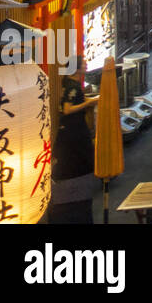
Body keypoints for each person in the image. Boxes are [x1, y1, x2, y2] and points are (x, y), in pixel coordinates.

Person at [49, 66, 98, 223]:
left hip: (70, 130)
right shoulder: (72, 86)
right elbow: (67, 109)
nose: (85, 66)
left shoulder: (70, 83)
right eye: (83, 64)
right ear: (77, 69)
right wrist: (89, 103)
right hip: (74, 129)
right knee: (78, 160)